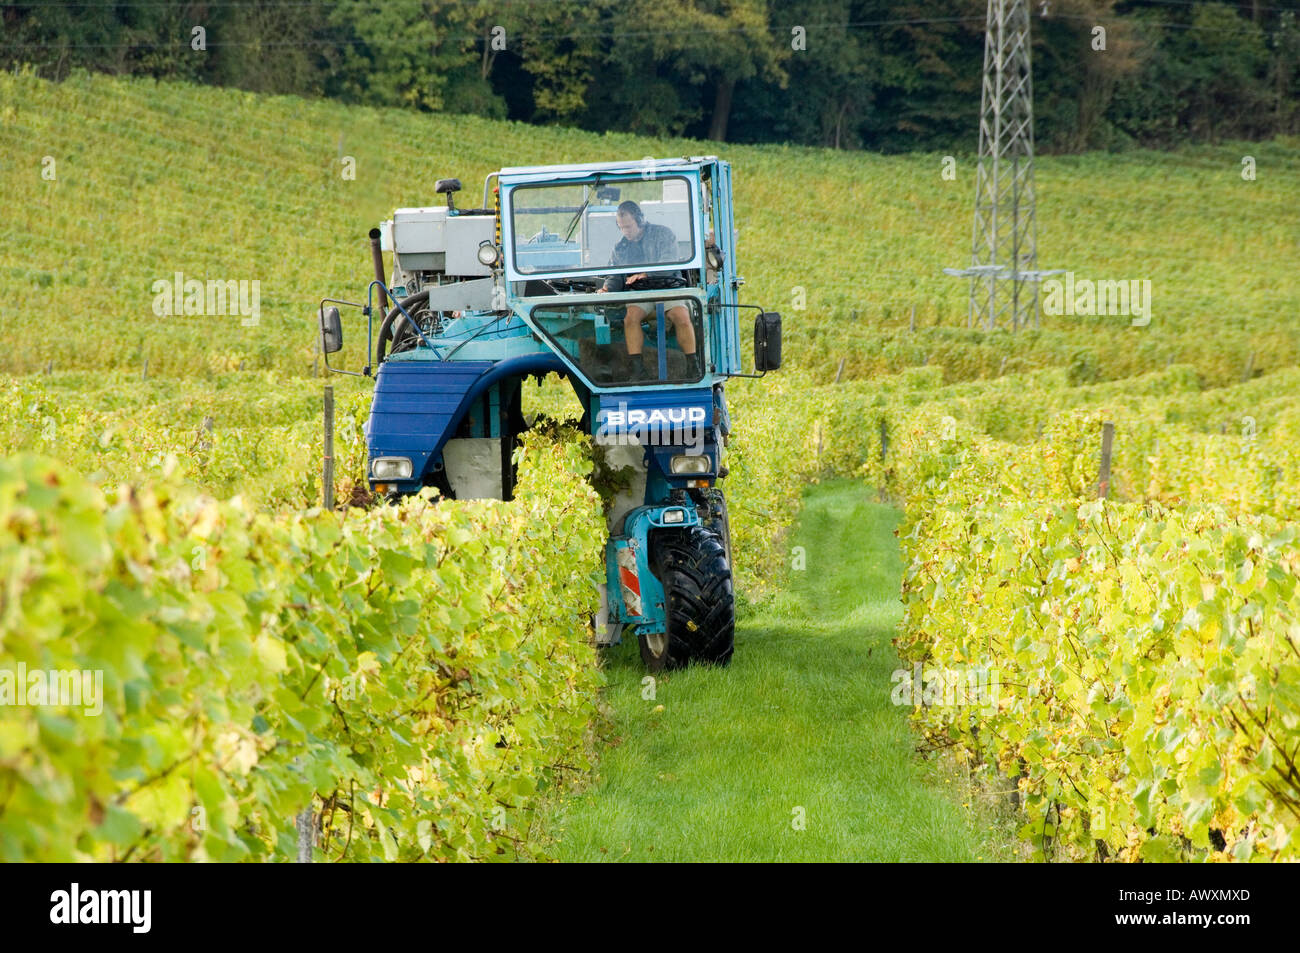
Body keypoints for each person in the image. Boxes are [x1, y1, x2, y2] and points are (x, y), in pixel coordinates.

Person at [596, 201, 696, 369]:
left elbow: (669, 264)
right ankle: (637, 368)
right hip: (641, 293)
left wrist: (647, 275)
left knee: (681, 316)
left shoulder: (664, 235)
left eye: (628, 227)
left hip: (668, 288)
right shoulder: (620, 248)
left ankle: (693, 364)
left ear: (640, 220)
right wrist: (607, 288)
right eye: (621, 227)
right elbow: (615, 274)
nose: (625, 232)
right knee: (631, 318)